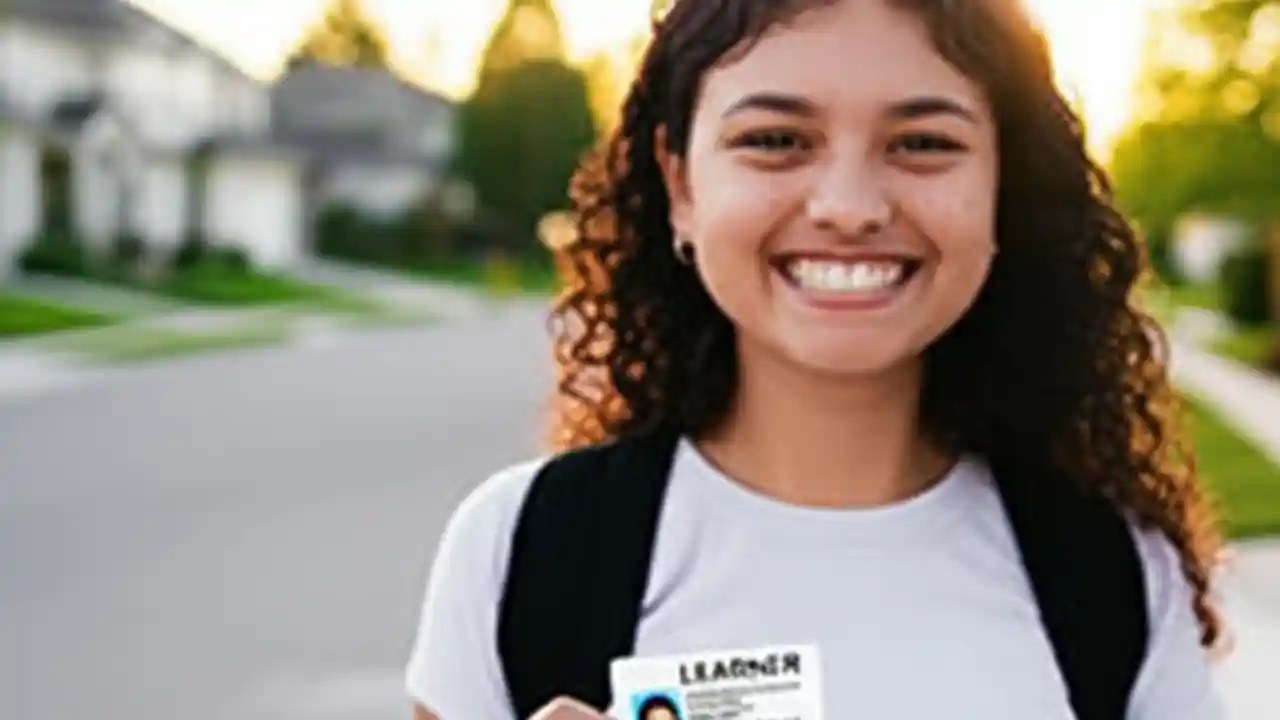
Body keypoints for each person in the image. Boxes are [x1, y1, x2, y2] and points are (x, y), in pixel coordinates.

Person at [405, 0, 1228, 718]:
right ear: (681, 186)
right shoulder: (522, 551)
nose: (849, 208)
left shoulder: (1111, 573)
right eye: (774, 139)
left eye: (922, 142)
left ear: (1001, 187)